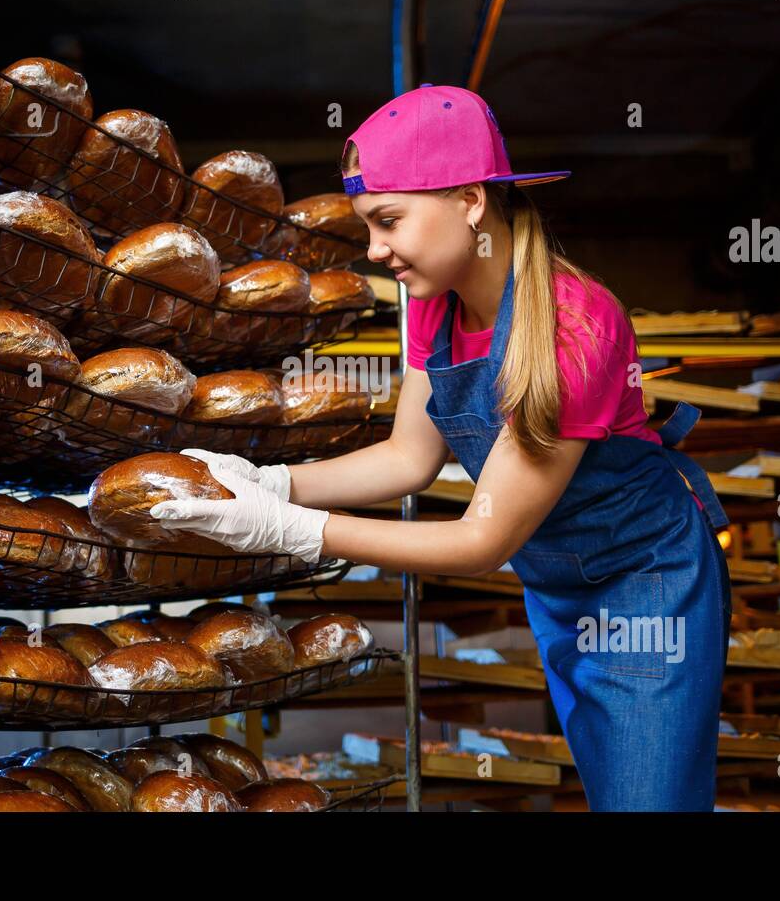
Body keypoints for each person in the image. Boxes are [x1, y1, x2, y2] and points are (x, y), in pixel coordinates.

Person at [150, 84, 733, 811]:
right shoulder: (434, 304)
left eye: (389, 220)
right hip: (559, 586)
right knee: (618, 792)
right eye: (368, 225)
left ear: (469, 201)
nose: (374, 249)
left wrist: (295, 533)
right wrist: (273, 482)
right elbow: (408, 460)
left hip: (647, 585)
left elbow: (483, 538)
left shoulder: (575, 328)